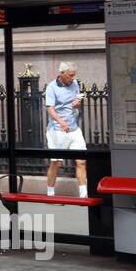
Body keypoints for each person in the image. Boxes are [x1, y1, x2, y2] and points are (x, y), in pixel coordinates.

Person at [45, 61, 87, 196]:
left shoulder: (74, 83)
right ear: (61, 74)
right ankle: (50, 194)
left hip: (74, 128)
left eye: (74, 75)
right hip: (57, 129)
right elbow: (50, 108)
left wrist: (78, 103)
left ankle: (83, 195)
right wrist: (61, 121)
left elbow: (78, 99)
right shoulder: (51, 87)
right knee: (56, 163)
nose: (72, 78)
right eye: (70, 76)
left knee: (81, 161)